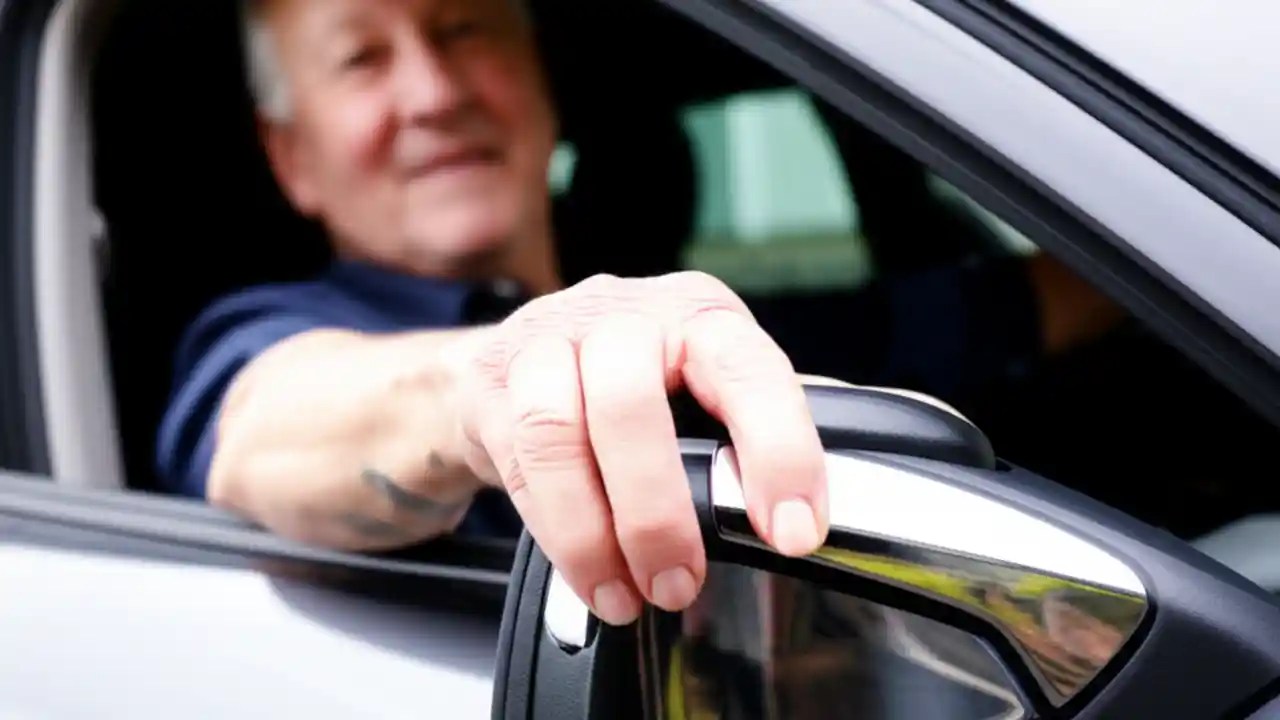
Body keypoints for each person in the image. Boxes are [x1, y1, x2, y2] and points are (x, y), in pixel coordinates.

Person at [155, 0, 1121, 627]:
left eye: (463, 30)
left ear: (541, 83)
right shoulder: (263, 337)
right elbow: (264, 436)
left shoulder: (701, 342)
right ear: (291, 156)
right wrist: (492, 386)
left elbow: (1002, 310)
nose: (434, 92)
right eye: (363, 59)